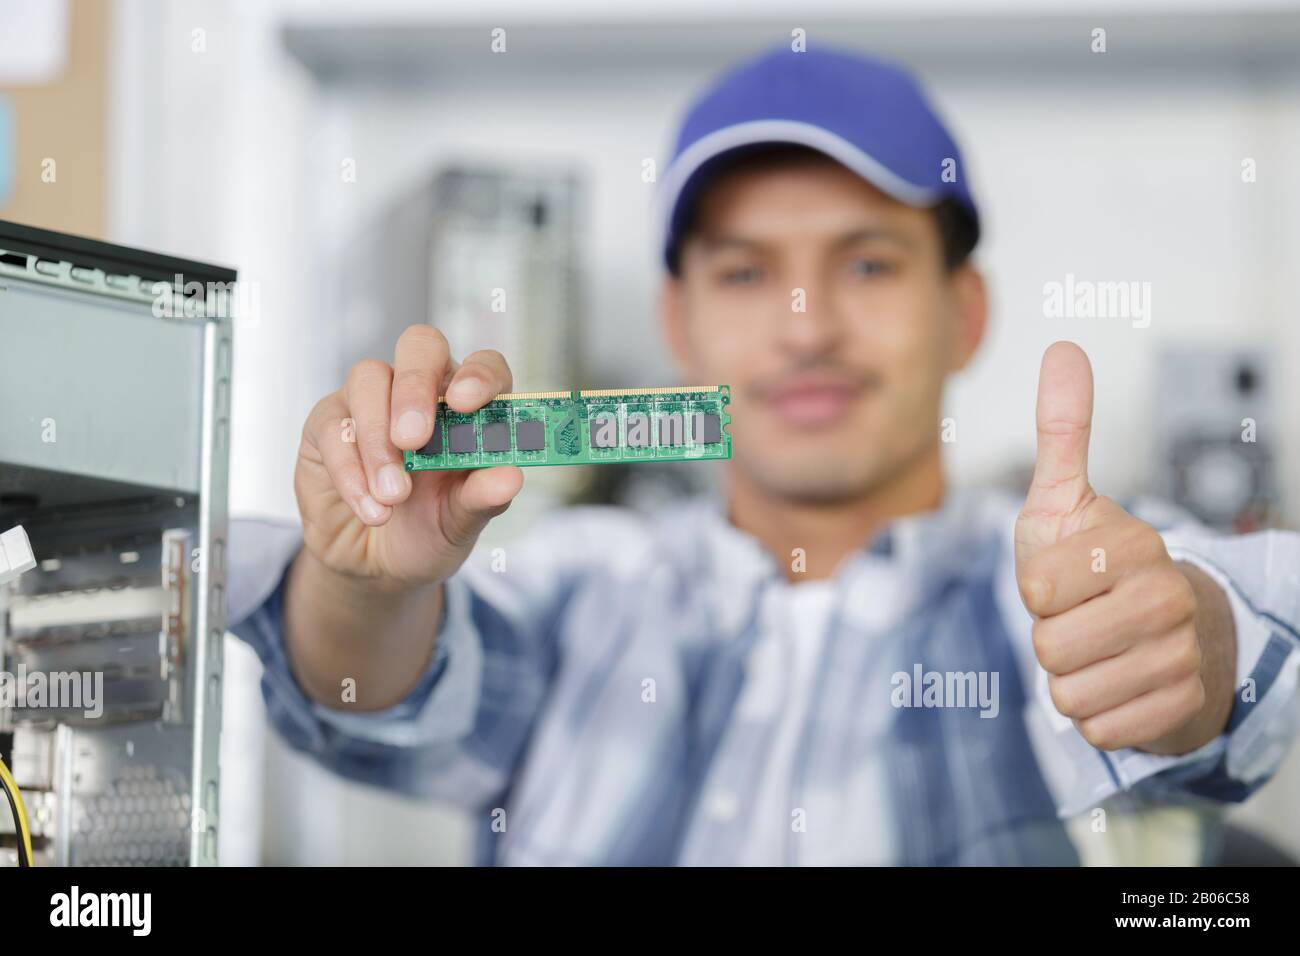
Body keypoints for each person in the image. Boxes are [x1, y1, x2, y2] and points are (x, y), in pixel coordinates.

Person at [228, 46, 1300, 865]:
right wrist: (362, 585)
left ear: (963, 312)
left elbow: (1231, 642)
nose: (803, 325)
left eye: (868, 264)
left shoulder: (1051, 602)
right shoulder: (580, 592)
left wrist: (1185, 647)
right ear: (678, 321)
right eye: (745, 273)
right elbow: (373, 690)